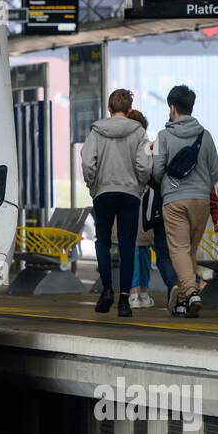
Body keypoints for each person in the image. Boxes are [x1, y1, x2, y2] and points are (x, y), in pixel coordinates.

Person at [152, 84, 218, 317]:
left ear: (172, 108)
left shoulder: (163, 136)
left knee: (179, 250)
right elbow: (215, 174)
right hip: (201, 201)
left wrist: (168, 185)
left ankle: (191, 292)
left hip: (174, 201)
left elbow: (156, 170)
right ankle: (182, 302)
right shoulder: (206, 135)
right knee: (189, 251)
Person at [81, 89, 152, 317]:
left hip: (103, 193)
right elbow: (144, 165)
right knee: (127, 245)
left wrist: (93, 186)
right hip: (130, 194)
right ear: (129, 109)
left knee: (102, 241)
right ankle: (124, 301)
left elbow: (87, 162)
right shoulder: (139, 132)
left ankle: (107, 288)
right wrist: (139, 186)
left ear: (109, 108)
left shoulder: (96, 130)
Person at [124, 109, 157, 309]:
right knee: (143, 247)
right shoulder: (148, 144)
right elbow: (150, 170)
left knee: (133, 247)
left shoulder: (122, 145)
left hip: (127, 196)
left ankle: (133, 291)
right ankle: (143, 291)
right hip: (146, 201)